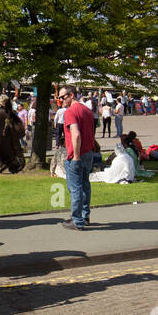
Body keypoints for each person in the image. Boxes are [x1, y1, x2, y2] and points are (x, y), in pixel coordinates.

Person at [59, 86, 95, 230]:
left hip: (77, 154)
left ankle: (77, 220)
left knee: (75, 188)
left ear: (71, 95)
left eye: (62, 97)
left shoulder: (70, 112)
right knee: (85, 185)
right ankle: (84, 216)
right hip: (88, 153)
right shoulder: (87, 111)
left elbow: (77, 134)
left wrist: (76, 156)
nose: (60, 100)